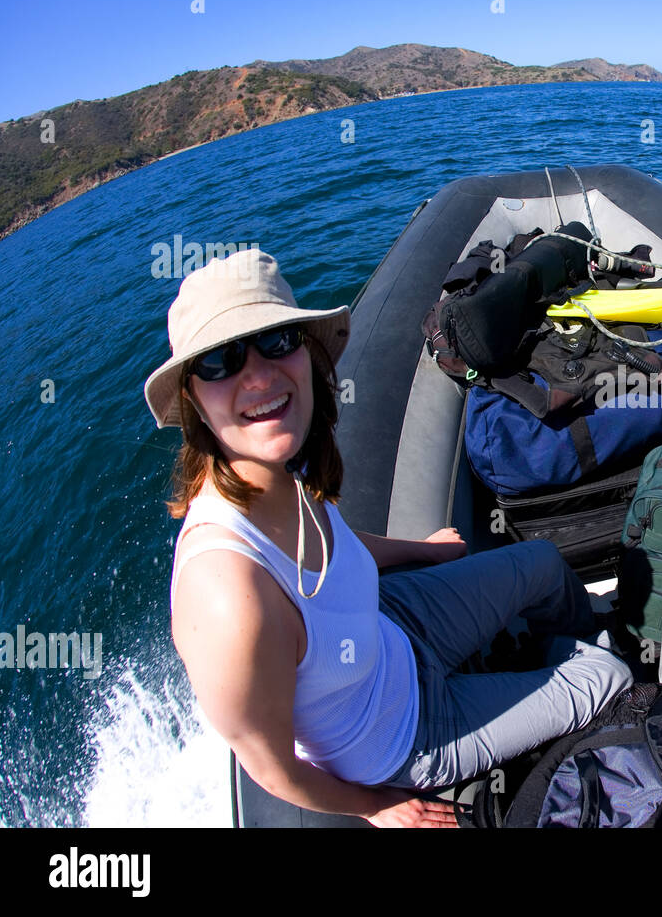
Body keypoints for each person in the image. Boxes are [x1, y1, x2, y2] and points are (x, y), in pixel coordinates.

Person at [145, 249, 632, 828]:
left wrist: (426, 551)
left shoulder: (279, 467)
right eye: (221, 360)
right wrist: (379, 807)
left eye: (276, 341)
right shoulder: (227, 593)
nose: (257, 374)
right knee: (610, 678)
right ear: (194, 398)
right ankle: (562, 676)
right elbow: (270, 769)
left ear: (304, 353)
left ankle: (554, 657)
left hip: (395, 628)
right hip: (404, 734)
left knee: (544, 564)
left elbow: (334, 542)